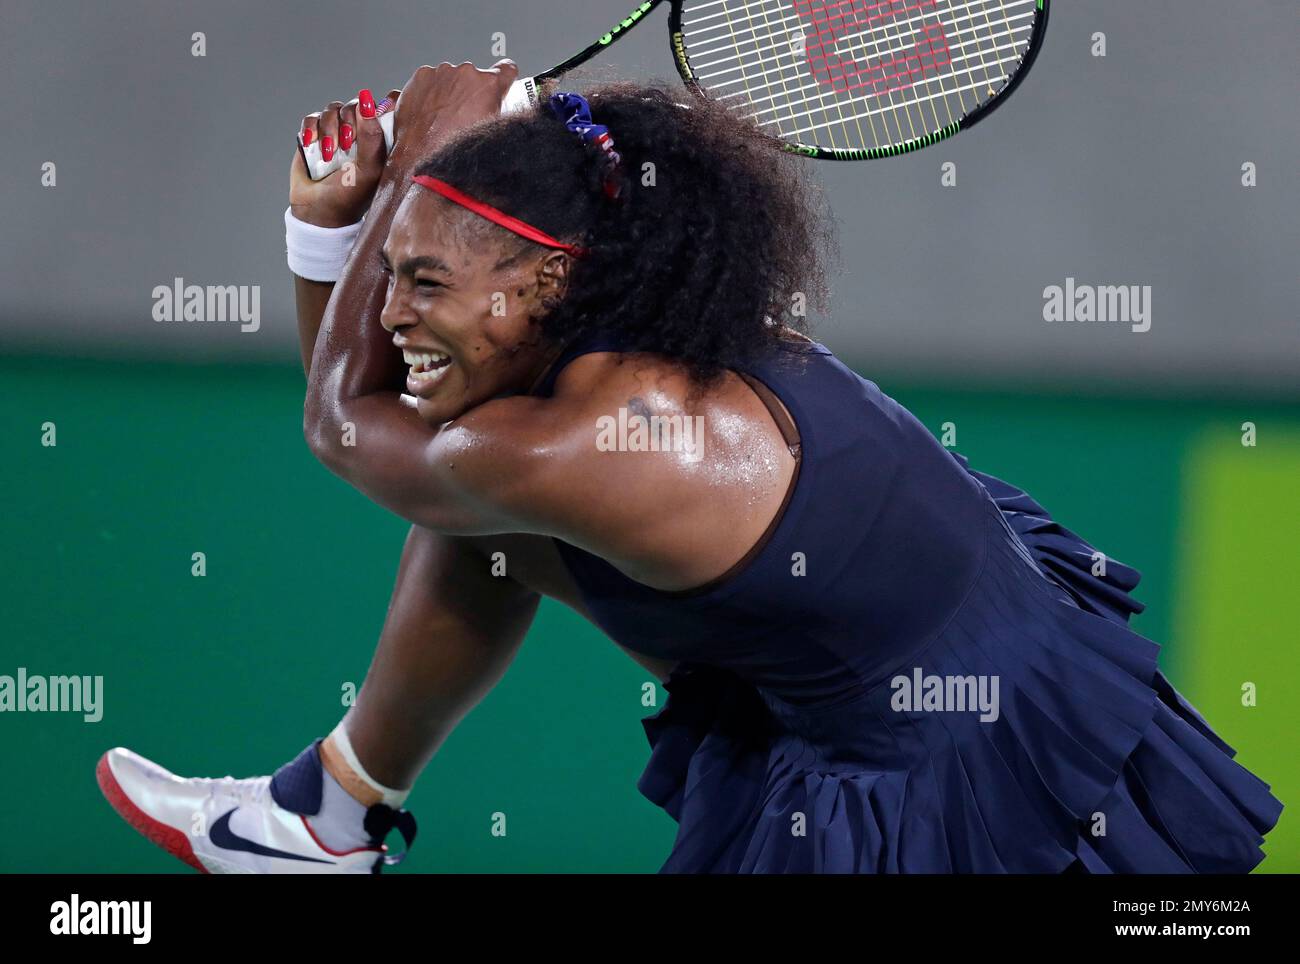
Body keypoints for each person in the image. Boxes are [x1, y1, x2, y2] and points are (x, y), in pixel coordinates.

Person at [98, 61, 1282, 874]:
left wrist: (379, 193)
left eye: (423, 281)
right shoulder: (612, 306)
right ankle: (328, 815)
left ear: (545, 283)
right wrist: (388, 207)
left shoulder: (607, 440)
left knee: (477, 503)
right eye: (389, 275)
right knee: (480, 520)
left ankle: (326, 821)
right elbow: (400, 429)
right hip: (861, 654)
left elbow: (353, 434)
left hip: (959, 766)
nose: (394, 309)